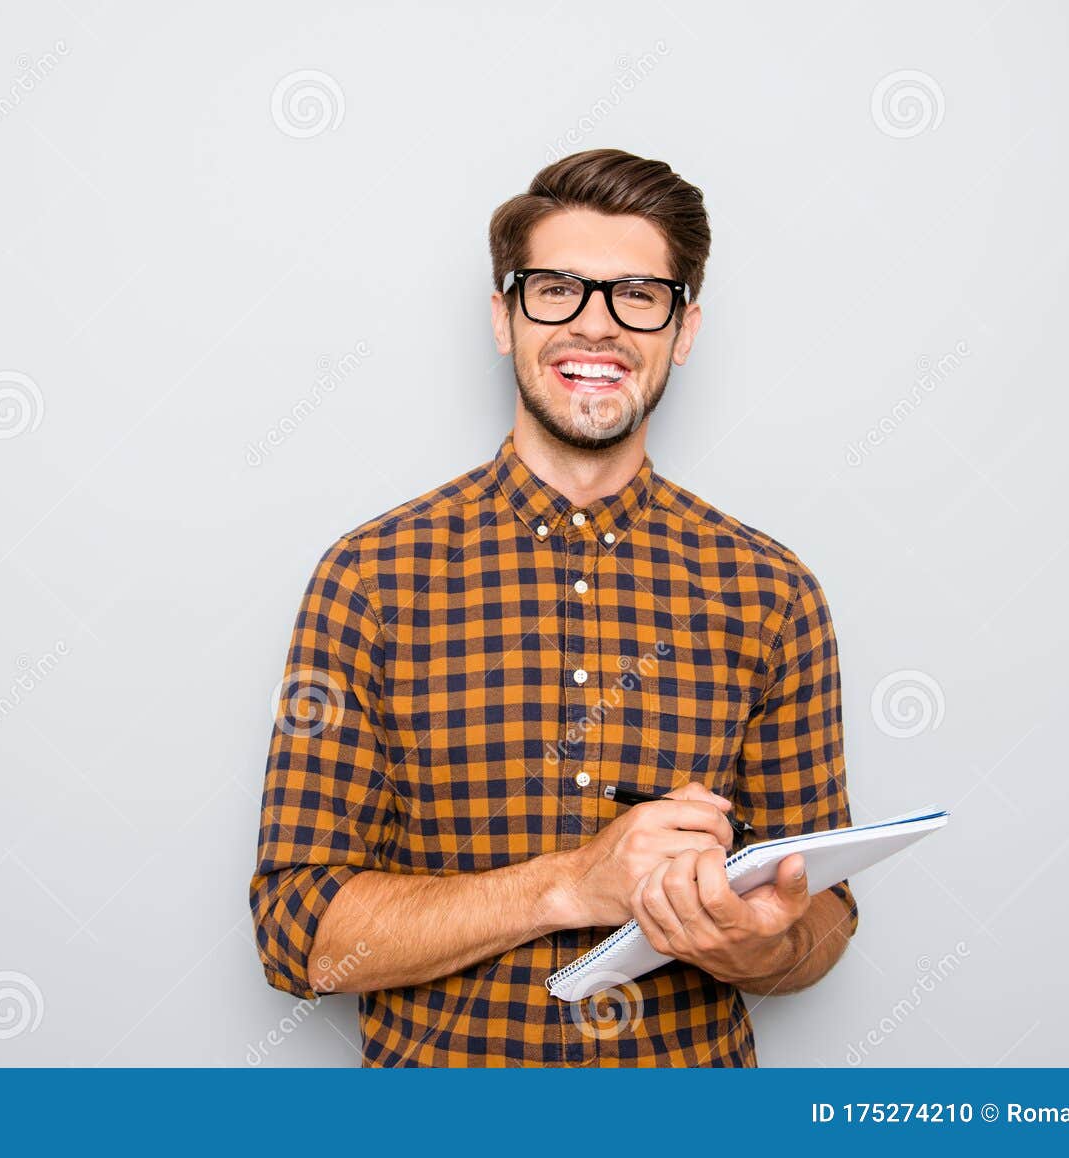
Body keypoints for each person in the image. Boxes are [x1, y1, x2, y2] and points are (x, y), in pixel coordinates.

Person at [250, 148, 857, 1066]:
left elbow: (824, 921)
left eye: (637, 296)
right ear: (504, 317)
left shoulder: (771, 593)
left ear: (683, 329)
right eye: (557, 290)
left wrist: (761, 944)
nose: (596, 326)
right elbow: (299, 937)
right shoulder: (371, 578)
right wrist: (572, 885)